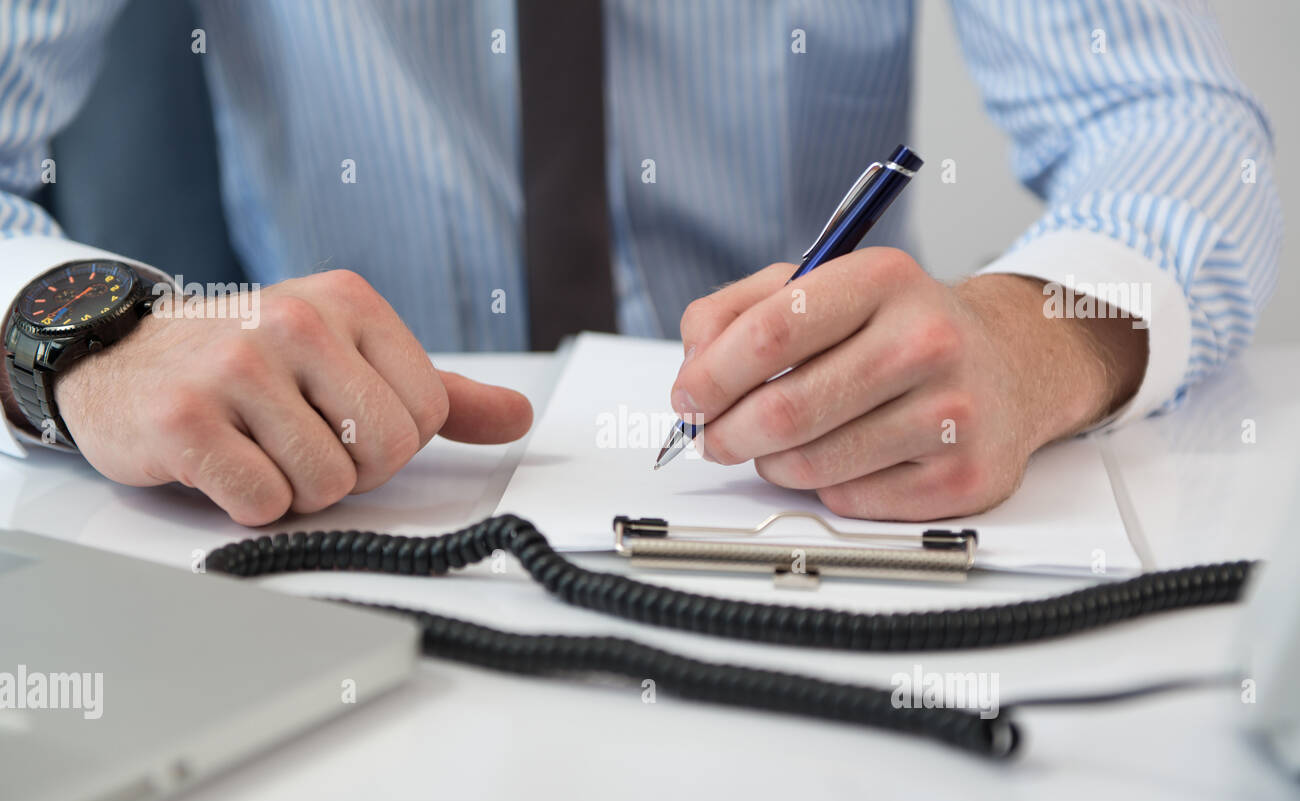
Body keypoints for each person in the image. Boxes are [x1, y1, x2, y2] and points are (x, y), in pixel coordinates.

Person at [0, 0, 1279, 526]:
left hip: (844, 515)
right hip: (350, 513)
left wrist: (1031, 338)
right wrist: (92, 338)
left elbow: (1166, 122)